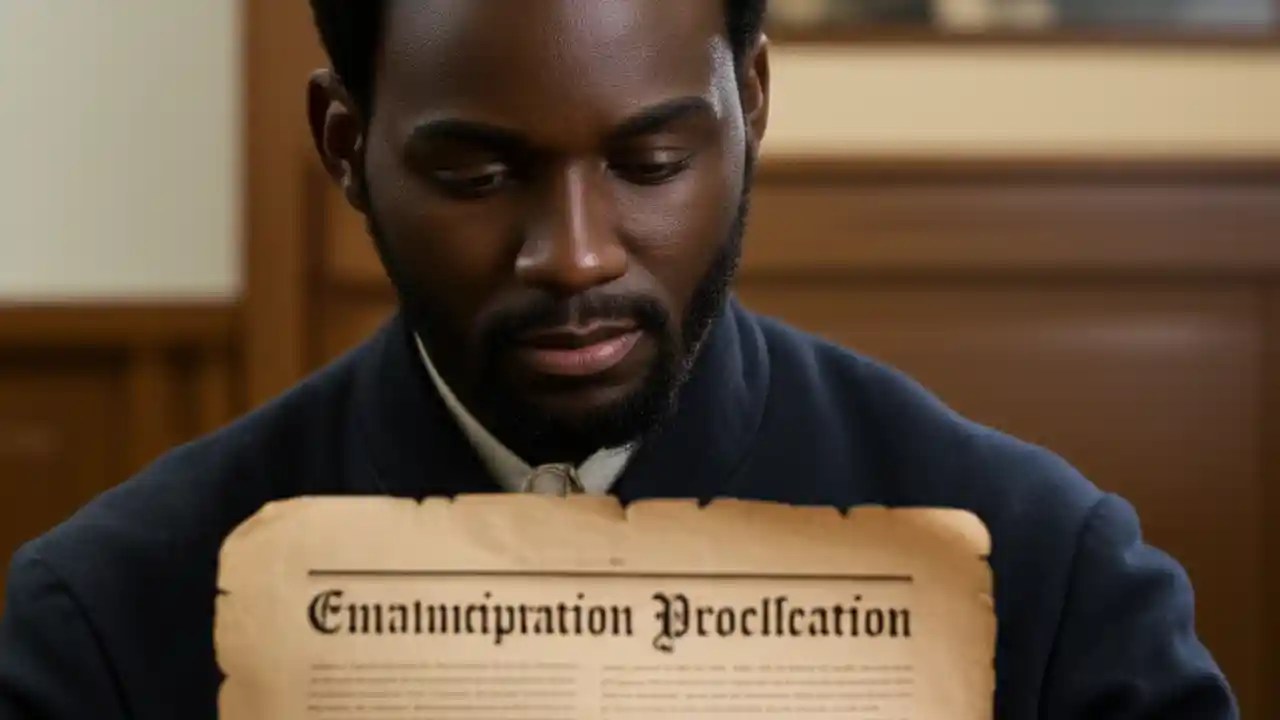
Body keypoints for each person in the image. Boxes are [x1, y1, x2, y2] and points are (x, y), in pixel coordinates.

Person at [0, 1, 1237, 718]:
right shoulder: (114, 627)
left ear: (750, 106)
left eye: (649, 165)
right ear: (345, 143)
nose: (579, 258)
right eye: (476, 175)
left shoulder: (1048, 588)